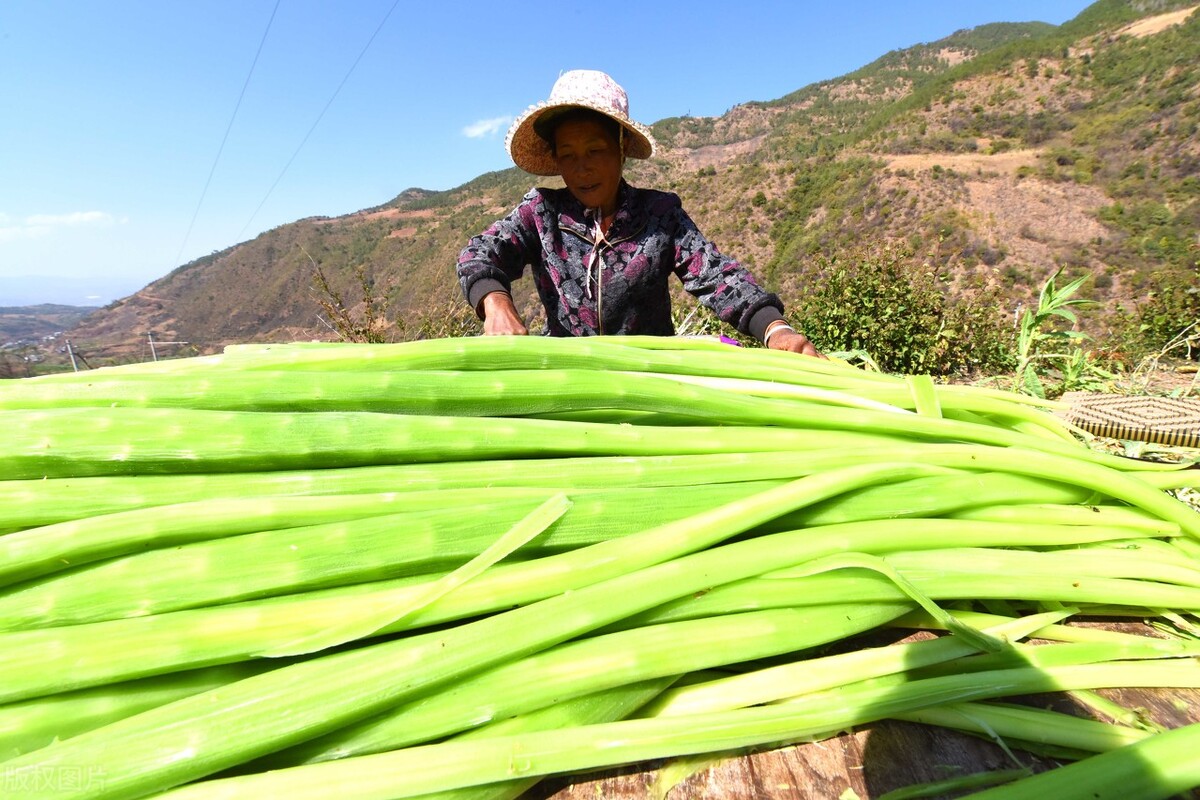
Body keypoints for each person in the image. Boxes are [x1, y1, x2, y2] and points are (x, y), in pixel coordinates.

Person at [456, 69, 823, 357]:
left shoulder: (659, 215)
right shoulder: (541, 213)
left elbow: (716, 274)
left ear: (620, 148)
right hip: (567, 380)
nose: (582, 168)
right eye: (567, 154)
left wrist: (774, 328)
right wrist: (495, 301)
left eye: (595, 150)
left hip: (649, 380)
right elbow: (479, 253)